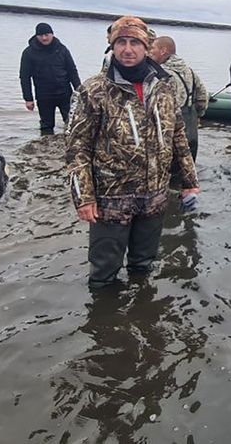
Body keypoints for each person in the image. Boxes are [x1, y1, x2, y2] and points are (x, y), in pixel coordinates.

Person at [66, 16, 199, 287]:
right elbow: (76, 148)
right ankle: (106, 323)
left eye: (135, 42)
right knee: (103, 274)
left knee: (143, 265)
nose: (128, 49)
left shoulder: (164, 88)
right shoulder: (93, 91)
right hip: (111, 200)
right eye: (121, 42)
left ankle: (142, 311)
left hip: (154, 196)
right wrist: (84, 198)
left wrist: (189, 182)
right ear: (112, 47)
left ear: (147, 47)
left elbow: (178, 137)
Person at [150, 35, 209, 161]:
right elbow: (202, 97)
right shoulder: (190, 71)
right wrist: (198, 114)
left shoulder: (161, 75)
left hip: (172, 129)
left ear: (163, 51)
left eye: (152, 48)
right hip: (191, 126)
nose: (150, 51)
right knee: (189, 166)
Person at [19, 22, 81, 135]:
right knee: (46, 125)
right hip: (44, 95)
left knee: (72, 124)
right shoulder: (28, 53)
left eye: (47, 34)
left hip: (65, 93)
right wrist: (28, 98)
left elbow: (72, 71)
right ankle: (45, 148)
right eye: (41, 35)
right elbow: (24, 77)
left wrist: (79, 91)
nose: (44, 38)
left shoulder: (62, 49)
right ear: (36, 36)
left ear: (52, 34)